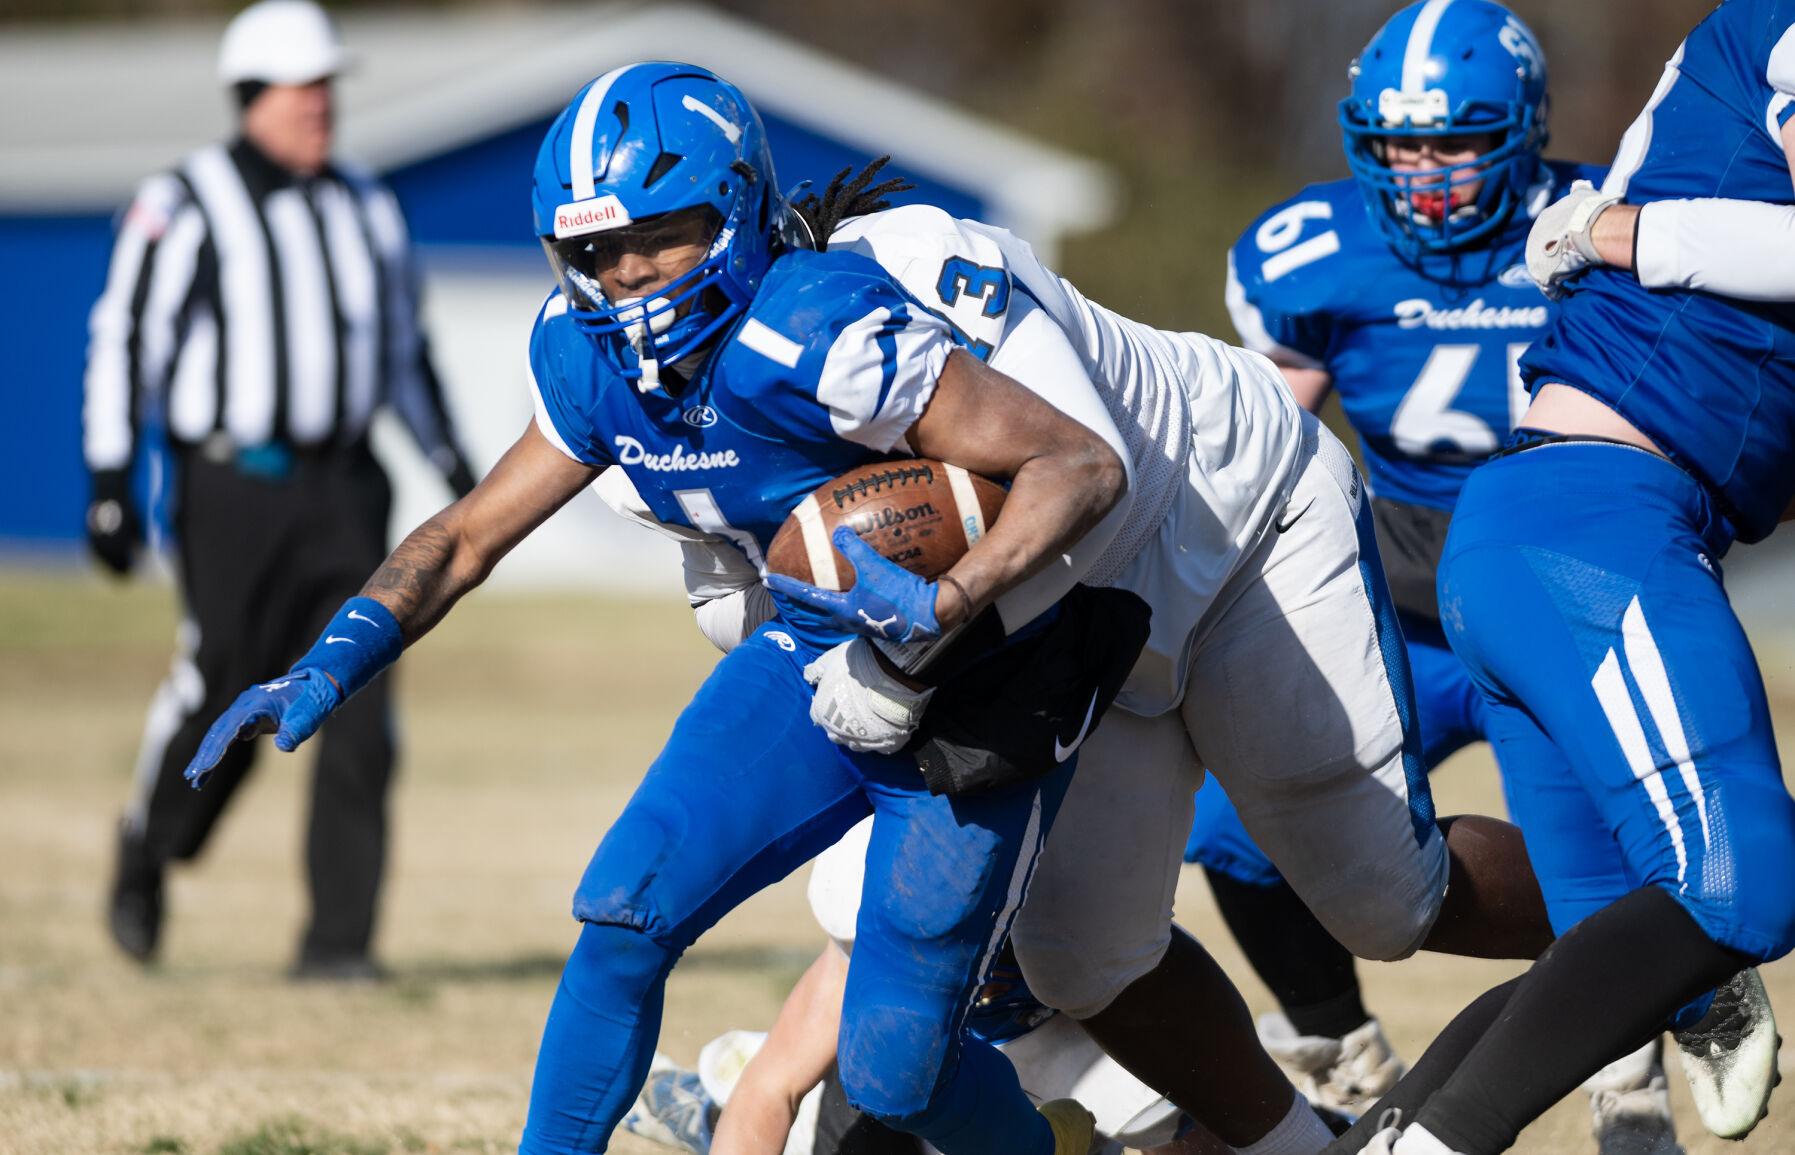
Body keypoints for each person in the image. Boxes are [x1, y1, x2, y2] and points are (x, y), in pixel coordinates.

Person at [181, 61, 1141, 1155]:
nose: (629, 276)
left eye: (660, 235)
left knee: (896, 1068)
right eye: (595, 251)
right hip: (818, 652)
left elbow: (1077, 463)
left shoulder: (813, 330)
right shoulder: (590, 365)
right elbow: (465, 536)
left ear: (734, 208)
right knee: (623, 916)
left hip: (982, 676)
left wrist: (948, 595)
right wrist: (329, 662)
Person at [595, 157, 1562, 1155]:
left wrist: (914, 645)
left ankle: (1636, 929)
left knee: (1381, 900)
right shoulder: (684, 406)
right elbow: (742, 605)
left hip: (1227, 527)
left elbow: (1088, 468)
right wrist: (851, 625)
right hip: (1071, 622)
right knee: (1082, 956)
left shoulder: (919, 268)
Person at [1211, 3, 1693, 1147]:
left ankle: (1628, 1089)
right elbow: (1264, 457)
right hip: (1407, 601)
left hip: (1564, 592)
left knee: (1605, 862)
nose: (1424, 174)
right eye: (1399, 145)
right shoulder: (1310, 257)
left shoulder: (1606, 228)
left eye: (1455, 142)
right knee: (1231, 830)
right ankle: (1334, 1043)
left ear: (1521, 129)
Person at [1332, 1, 1795, 1151]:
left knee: (1604, 981)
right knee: (1748, 886)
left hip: (1552, 530)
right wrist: (1634, 236)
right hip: (1592, 530)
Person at [88, 0, 476, 978]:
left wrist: (454, 463)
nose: (322, 109)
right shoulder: (186, 200)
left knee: (356, 700)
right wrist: (109, 479)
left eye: (327, 90)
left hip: (346, 488)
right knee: (222, 681)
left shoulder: (366, 205)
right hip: (233, 487)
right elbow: (125, 341)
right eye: (304, 90)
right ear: (253, 97)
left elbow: (402, 351)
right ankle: (152, 844)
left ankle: (337, 945)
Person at [621, 817, 1215, 1155]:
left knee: (1148, 1124)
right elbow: (772, 1088)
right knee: (862, 1091)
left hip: (1060, 1037)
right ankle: (705, 1112)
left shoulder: (1092, 905)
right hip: (912, 1063)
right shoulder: (875, 893)